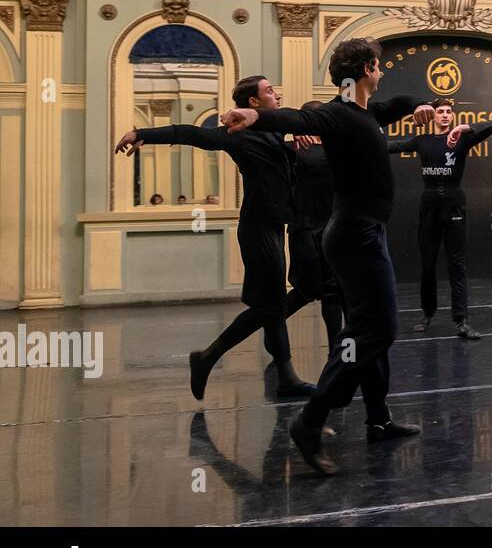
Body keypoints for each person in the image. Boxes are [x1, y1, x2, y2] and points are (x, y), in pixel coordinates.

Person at [222, 38, 435, 476]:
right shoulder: (336, 113)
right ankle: (310, 421)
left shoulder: (367, 112)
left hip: (366, 233)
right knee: (376, 332)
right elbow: (297, 116)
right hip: (354, 236)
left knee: (372, 332)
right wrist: (256, 114)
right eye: (379, 67)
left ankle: (378, 419)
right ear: (369, 69)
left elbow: (400, 102)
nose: (383, 73)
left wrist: (421, 105)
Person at [115, 75, 315, 400]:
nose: (276, 94)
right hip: (257, 226)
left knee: (272, 305)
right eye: (269, 91)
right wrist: (142, 133)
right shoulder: (237, 135)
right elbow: (190, 134)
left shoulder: (276, 129)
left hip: (276, 224)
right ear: (253, 102)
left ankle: (259, 370)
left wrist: (300, 135)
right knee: (272, 305)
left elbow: (296, 120)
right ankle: (229, 363)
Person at [388, 98, 492, 339]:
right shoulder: (422, 140)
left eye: (449, 112)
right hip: (429, 207)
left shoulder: (463, 138)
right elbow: (391, 146)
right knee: (428, 266)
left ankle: (462, 321)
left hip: (454, 207)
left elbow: (491, 126)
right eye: (441, 112)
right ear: (433, 116)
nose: (446, 115)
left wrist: (463, 128)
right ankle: (427, 314)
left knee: (457, 265)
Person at [282, 112, 345, 356]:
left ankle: (335, 351)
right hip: (306, 229)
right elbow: (265, 134)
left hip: (331, 228)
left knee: (333, 292)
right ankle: (271, 327)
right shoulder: (292, 148)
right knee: (306, 290)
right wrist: (294, 133)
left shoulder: (339, 148)